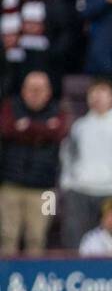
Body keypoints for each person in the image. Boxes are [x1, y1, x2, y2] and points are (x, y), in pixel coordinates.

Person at [58, 79, 112, 250]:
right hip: (80, 190)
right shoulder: (80, 126)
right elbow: (68, 155)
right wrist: (67, 183)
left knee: (111, 239)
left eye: (102, 91)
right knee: (74, 237)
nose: (97, 96)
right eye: (93, 92)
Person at [0, 71, 67, 255]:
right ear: (23, 90)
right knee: (7, 237)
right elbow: (7, 130)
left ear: (49, 92)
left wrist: (25, 128)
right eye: (31, 89)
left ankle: (35, 282)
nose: (35, 93)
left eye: (40, 89)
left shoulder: (59, 110)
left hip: (46, 190)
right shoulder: (9, 106)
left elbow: (58, 133)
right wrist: (43, 130)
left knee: (38, 239)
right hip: (10, 185)